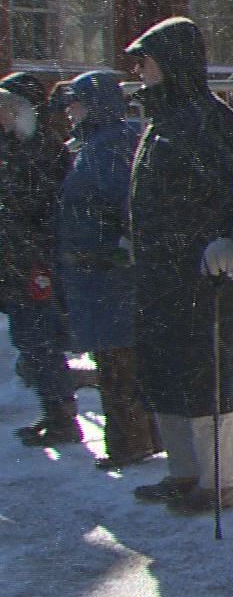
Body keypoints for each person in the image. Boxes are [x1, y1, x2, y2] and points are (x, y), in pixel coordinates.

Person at [124, 16, 233, 514]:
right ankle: (183, 473)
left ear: (173, 64)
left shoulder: (208, 119)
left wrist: (225, 240)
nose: (141, 72)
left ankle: (222, 481)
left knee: (210, 382)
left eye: (149, 62)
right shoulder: (161, 119)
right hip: (162, 274)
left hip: (202, 275)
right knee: (168, 374)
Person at [52, 71, 159, 469]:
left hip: (110, 278)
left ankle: (130, 443)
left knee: (119, 366)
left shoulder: (110, 147)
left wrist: (115, 245)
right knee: (116, 362)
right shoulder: (94, 145)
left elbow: (121, 205)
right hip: (99, 277)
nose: (70, 111)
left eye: (76, 102)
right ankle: (137, 439)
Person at [0, 71, 78, 446]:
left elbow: (41, 208)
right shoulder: (13, 147)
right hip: (17, 260)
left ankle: (62, 415)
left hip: (35, 263)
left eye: (8, 108)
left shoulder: (45, 150)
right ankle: (54, 411)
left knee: (40, 339)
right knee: (29, 339)